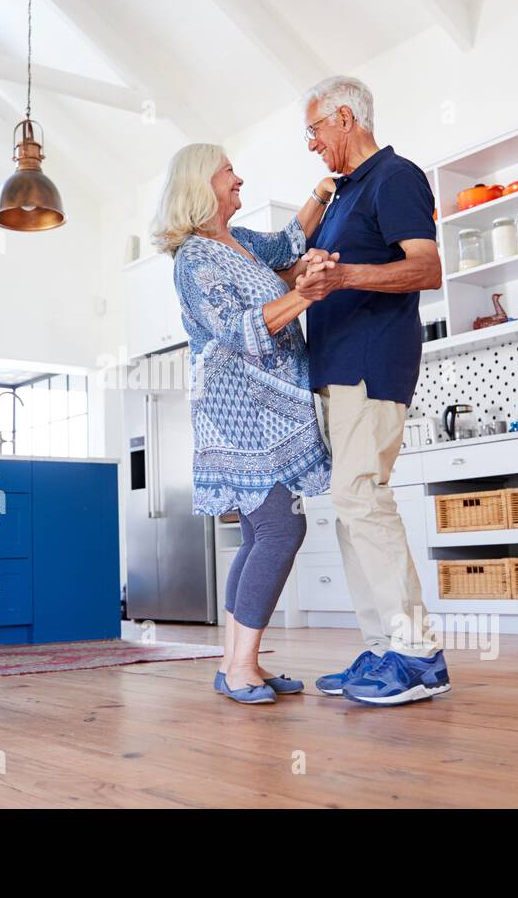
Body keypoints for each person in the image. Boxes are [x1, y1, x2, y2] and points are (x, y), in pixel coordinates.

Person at [151, 143, 337, 705]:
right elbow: (236, 332)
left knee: (261, 531)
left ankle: (238, 662)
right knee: (282, 529)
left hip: (273, 406)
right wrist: (302, 296)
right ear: (200, 184)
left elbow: (288, 244)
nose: (239, 179)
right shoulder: (194, 259)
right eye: (228, 171)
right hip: (240, 414)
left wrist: (321, 193)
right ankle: (240, 669)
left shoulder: (240, 243)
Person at [293, 75, 453, 706]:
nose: (311, 144)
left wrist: (345, 276)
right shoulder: (341, 194)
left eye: (313, 130)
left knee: (361, 496)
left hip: (370, 365)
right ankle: (384, 647)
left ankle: (417, 655)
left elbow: (428, 267)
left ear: (342, 117)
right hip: (334, 369)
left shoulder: (397, 176)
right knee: (350, 507)